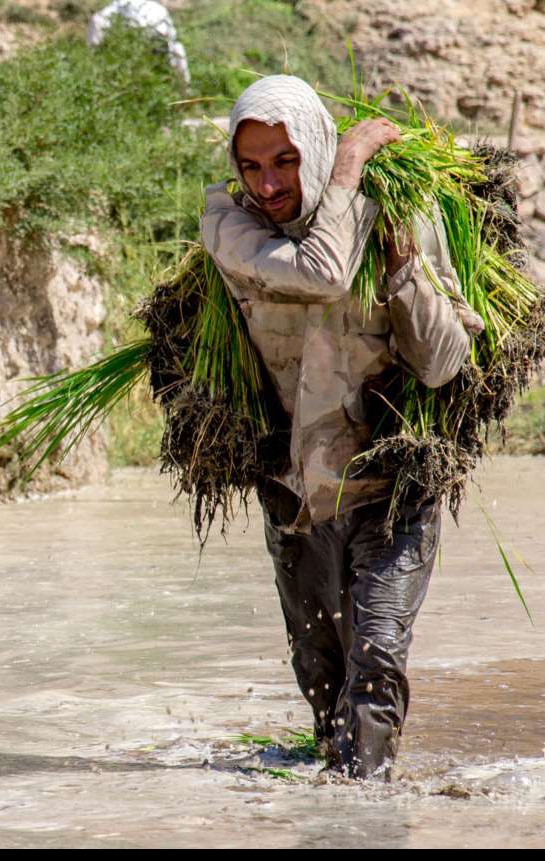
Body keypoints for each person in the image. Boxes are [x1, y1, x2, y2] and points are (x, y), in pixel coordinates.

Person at [199, 75, 484, 780]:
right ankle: (331, 802)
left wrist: (402, 272)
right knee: (321, 678)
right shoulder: (231, 227)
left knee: (378, 658)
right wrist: (349, 171)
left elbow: (445, 365)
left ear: (315, 149)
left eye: (287, 160)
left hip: (391, 487)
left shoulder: (397, 219)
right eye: (252, 165)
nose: (268, 184)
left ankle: (367, 813)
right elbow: (323, 272)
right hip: (295, 492)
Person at [87, 0, 190, 86]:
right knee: (178, 49)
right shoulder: (158, 8)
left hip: (138, 53)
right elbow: (172, 38)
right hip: (153, 54)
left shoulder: (122, 4)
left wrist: (95, 51)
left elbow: (97, 20)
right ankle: (186, 94)